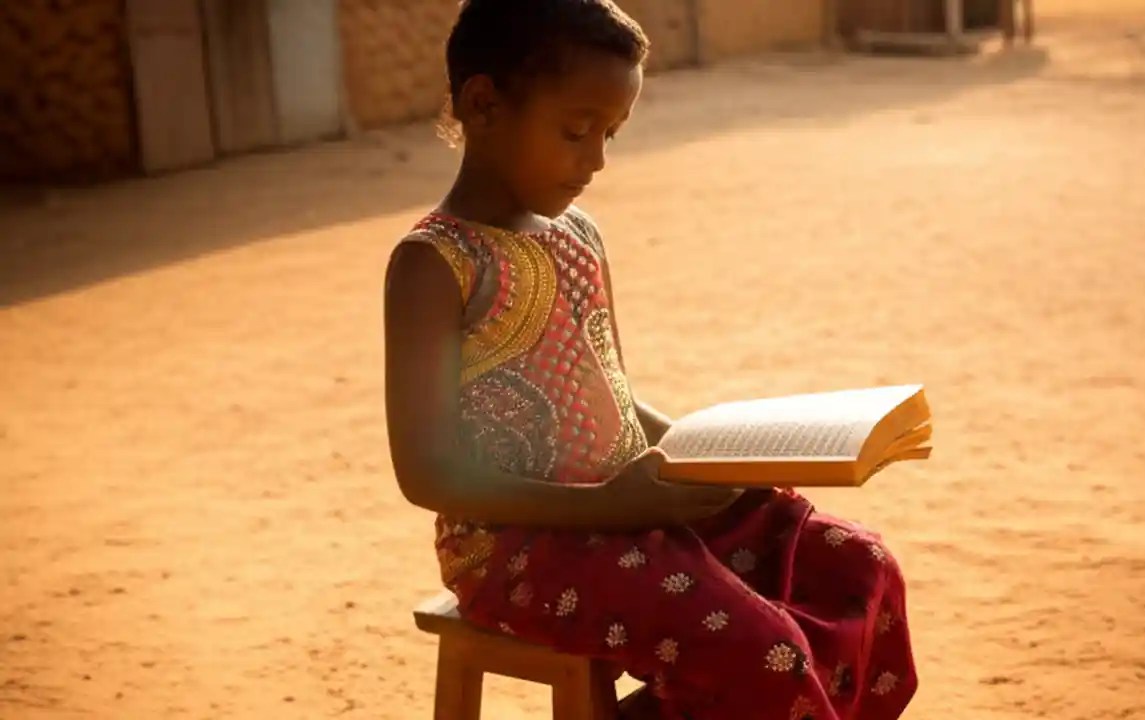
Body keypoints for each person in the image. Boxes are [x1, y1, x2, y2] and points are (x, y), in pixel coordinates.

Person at [382, 1, 917, 718]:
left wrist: (722, 461)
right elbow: (427, 473)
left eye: (611, 134)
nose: (596, 159)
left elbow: (610, 392)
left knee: (860, 567)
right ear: (483, 104)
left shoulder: (577, 233)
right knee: (765, 654)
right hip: (519, 555)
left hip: (631, 510)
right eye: (576, 131)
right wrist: (606, 505)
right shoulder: (433, 264)